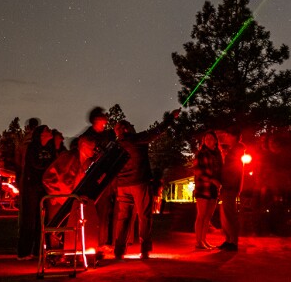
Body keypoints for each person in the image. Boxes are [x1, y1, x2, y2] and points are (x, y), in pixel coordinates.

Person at [112, 111, 179, 260]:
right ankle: (144, 249)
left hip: (122, 185)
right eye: (130, 125)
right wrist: (170, 119)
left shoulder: (117, 145)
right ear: (125, 128)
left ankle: (119, 250)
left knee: (123, 218)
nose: (133, 126)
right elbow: (156, 132)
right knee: (144, 216)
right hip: (139, 182)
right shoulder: (136, 139)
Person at [79, 107, 117, 257]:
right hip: (91, 179)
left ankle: (102, 243)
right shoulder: (88, 137)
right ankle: (91, 242)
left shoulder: (108, 136)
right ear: (96, 120)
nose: (105, 120)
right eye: (102, 118)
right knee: (91, 213)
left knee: (104, 212)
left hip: (105, 178)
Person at [18, 125, 56, 259]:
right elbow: (34, 164)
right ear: (41, 135)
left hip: (44, 187)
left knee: (42, 219)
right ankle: (24, 251)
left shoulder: (51, 147)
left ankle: (38, 250)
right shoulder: (33, 148)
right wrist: (47, 169)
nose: (49, 131)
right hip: (32, 186)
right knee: (30, 218)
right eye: (46, 130)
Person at [193, 130, 223, 250]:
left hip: (214, 188)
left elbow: (220, 171)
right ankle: (198, 241)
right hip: (203, 187)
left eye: (211, 138)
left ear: (215, 140)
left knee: (208, 216)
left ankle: (204, 240)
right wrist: (211, 180)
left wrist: (219, 183)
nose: (209, 140)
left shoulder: (218, 154)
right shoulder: (201, 153)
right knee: (201, 215)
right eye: (206, 139)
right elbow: (197, 171)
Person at [218, 129, 246, 251]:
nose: (226, 137)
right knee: (226, 213)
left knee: (229, 214)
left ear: (234, 137)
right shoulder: (234, 150)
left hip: (230, 186)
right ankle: (229, 239)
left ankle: (233, 241)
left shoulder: (236, 151)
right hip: (229, 186)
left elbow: (234, 171)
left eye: (228, 135)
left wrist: (229, 185)